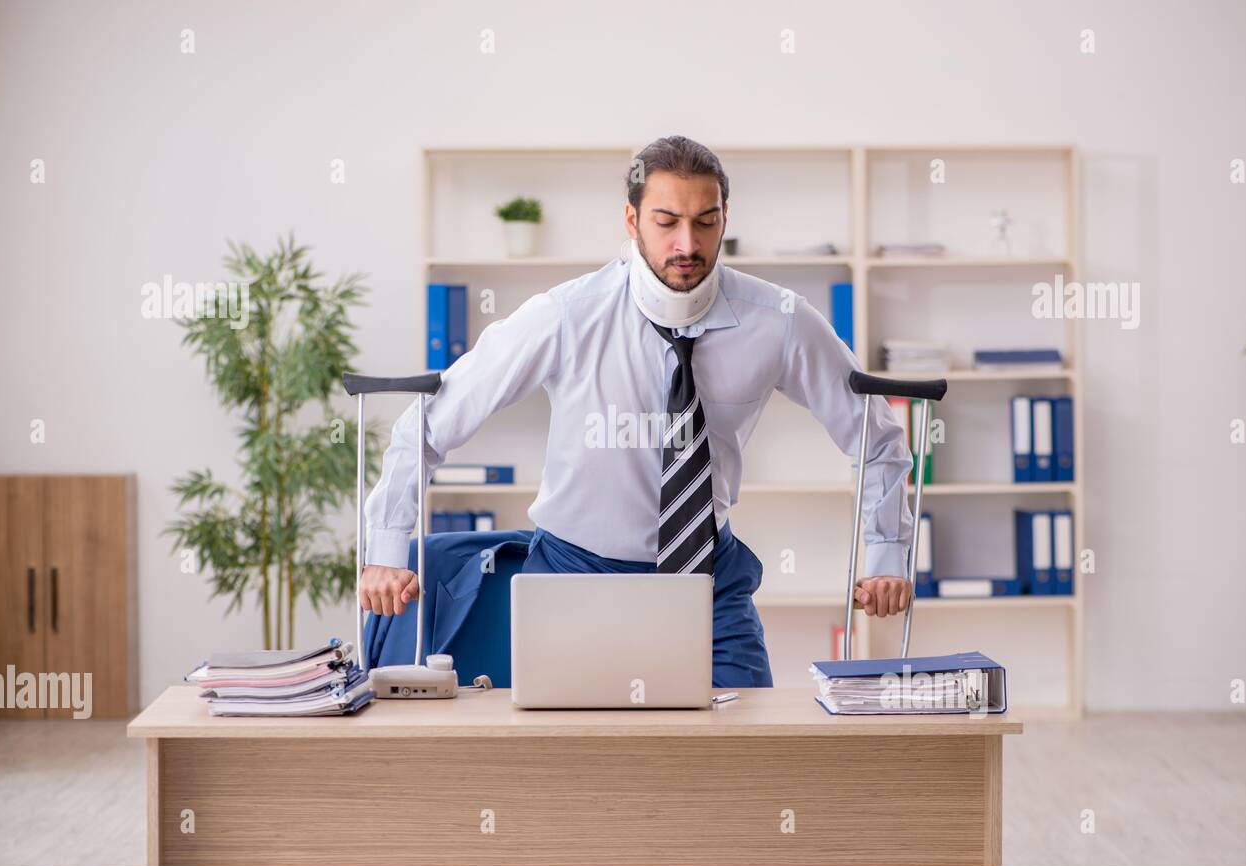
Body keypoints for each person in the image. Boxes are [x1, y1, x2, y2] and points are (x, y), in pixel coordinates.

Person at [359, 134, 914, 688]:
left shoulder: (779, 320)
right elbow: (429, 423)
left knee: (746, 735)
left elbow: (877, 435)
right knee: (559, 740)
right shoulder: (566, 315)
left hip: (708, 581)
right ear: (631, 220)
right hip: (570, 580)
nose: (686, 243)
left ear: (725, 218)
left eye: (705, 222)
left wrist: (886, 555)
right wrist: (386, 549)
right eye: (666, 221)